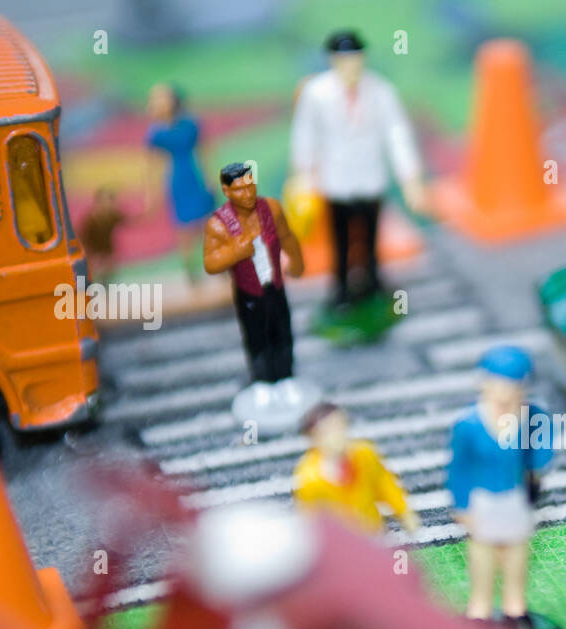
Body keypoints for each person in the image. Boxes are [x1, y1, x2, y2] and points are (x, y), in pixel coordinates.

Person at [289, 29, 427, 308]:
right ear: (332, 60)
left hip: (370, 177)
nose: (351, 66)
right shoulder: (317, 93)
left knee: (371, 236)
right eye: (344, 60)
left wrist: (410, 178)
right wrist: (303, 174)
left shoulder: (381, 90)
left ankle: (373, 281)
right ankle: (340, 289)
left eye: (356, 60)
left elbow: (397, 133)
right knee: (339, 240)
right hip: (336, 181)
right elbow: (305, 134)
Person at [446, 346, 554, 629]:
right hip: (483, 499)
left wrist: (537, 467)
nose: (505, 395)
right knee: (482, 550)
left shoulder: (532, 416)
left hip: (515, 497)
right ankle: (479, 609)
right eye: (498, 385)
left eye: (514, 387)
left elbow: (542, 450)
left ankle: (514, 608)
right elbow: (460, 468)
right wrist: (461, 504)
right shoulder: (468, 424)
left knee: (517, 550)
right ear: (484, 384)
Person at [203, 162, 316, 431]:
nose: (247, 194)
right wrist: (233, 252)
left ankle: (286, 377)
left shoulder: (272, 209)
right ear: (227, 191)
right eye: (240, 189)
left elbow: (287, 237)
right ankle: (263, 381)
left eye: (250, 186)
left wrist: (298, 262)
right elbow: (210, 263)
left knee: (283, 331)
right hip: (248, 292)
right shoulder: (219, 225)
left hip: (275, 284)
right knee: (256, 337)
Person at [293, 401, 420, 536]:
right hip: (340, 540)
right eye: (327, 431)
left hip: (372, 528)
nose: (337, 435)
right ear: (313, 437)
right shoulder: (309, 478)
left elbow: (384, 483)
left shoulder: (365, 453)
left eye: (340, 427)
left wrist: (403, 511)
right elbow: (310, 518)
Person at [145, 83, 217, 282]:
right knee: (183, 228)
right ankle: (191, 272)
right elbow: (153, 166)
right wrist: (152, 193)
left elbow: (204, 151)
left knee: (207, 224)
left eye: (162, 97)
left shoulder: (190, 125)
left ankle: (217, 262)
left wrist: (210, 177)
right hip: (176, 180)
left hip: (195, 175)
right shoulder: (156, 133)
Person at [78, 186, 126, 288]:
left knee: (107, 275)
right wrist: (92, 257)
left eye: (111, 201)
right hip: (93, 258)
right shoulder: (90, 220)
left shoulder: (112, 216)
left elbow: (140, 217)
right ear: (98, 202)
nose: (109, 204)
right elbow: (82, 241)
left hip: (106, 257)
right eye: (106, 200)